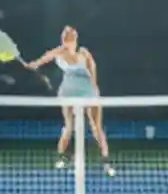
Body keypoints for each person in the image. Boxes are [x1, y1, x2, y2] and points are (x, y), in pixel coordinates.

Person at [24, 26, 115, 176]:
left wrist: (94, 88)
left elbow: (93, 68)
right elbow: (44, 58)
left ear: (75, 40)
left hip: (88, 91)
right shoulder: (59, 52)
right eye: (65, 40)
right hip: (68, 91)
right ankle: (62, 157)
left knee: (96, 127)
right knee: (68, 126)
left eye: (70, 39)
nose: (67, 42)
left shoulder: (84, 53)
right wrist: (34, 64)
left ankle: (106, 161)